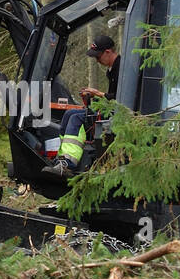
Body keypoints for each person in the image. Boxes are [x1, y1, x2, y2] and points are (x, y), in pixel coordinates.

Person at [41, 34, 121, 178]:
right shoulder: (112, 69)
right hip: (111, 110)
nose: (97, 60)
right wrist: (92, 98)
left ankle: (68, 164)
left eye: (98, 57)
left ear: (108, 52)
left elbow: (120, 98)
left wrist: (97, 93)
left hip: (119, 114)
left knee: (76, 118)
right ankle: (62, 157)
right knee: (69, 114)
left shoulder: (121, 68)